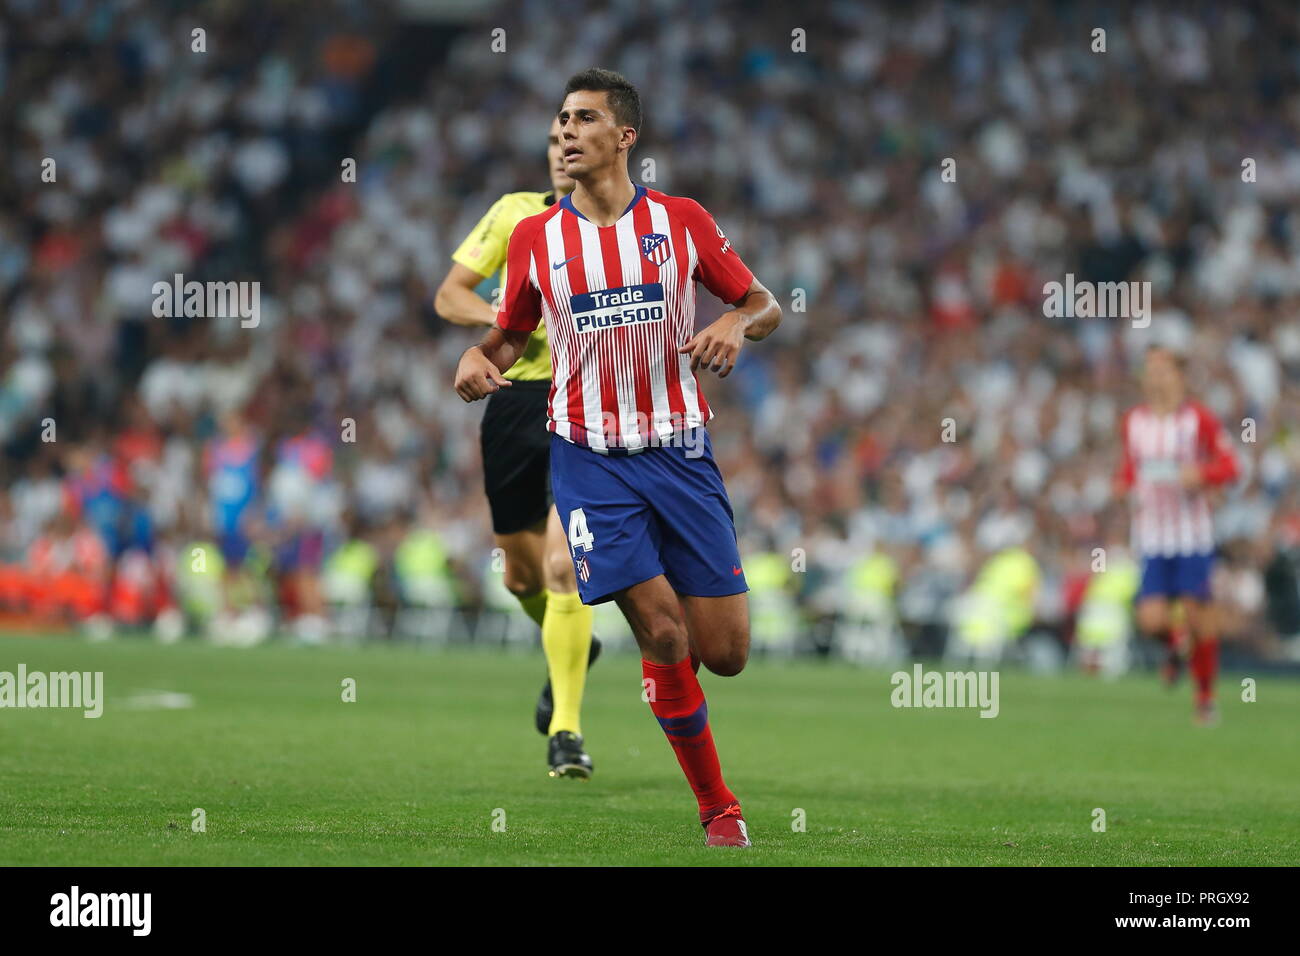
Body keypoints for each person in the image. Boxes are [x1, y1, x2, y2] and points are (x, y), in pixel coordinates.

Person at [454, 68, 782, 846]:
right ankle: (719, 809)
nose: (565, 132)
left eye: (583, 119)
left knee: (725, 654)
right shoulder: (536, 237)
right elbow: (509, 328)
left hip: (681, 451)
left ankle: (663, 677)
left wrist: (738, 323)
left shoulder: (681, 221)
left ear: (624, 136)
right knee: (664, 636)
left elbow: (761, 301)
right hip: (589, 459)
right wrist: (479, 354)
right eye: (560, 121)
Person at [436, 117, 601, 778]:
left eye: (578, 143)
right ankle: (574, 649)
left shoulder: (617, 226)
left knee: (566, 569)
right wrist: (504, 318)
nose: (566, 154)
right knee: (521, 576)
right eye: (557, 145)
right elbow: (450, 295)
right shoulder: (514, 216)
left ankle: (566, 731)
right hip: (514, 402)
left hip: (582, 405)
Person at [1115, 345, 1240, 724]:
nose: (1155, 377)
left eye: (1163, 370)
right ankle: (1175, 646)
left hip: (1191, 535)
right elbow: (1129, 469)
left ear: (1179, 376)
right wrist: (1122, 486)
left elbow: (1230, 466)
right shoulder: (1133, 421)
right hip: (1152, 534)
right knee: (1150, 619)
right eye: (1149, 370)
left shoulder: (1198, 420)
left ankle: (1205, 699)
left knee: (1198, 615)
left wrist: (1202, 475)